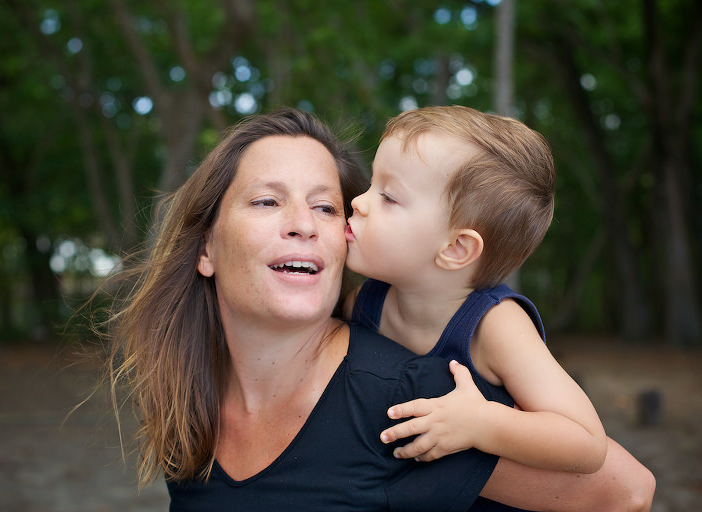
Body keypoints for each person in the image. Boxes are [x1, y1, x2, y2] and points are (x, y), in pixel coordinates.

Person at [101, 108, 654, 511]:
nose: (314, 221)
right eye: (268, 201)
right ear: (205, 248)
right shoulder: (190, 399)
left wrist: (483, 421)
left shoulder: (425, 385)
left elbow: (617, 480)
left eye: (325, 206)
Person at [343, 105, 655, 510]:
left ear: (456, 248)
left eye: (388, 196)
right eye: (371, 186)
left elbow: (586, 441)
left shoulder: (494, 326)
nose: (359, 202)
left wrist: (481, 423)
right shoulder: (365, 302)